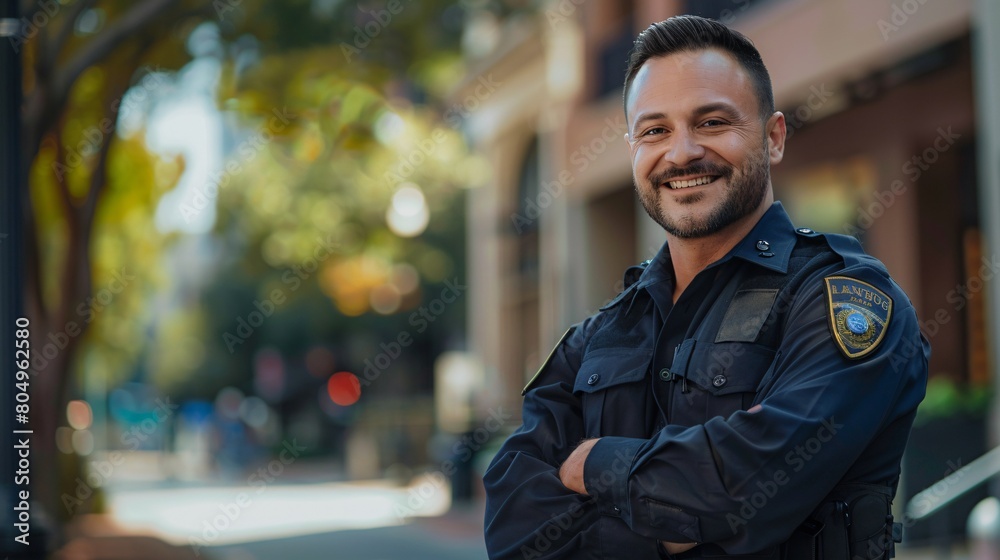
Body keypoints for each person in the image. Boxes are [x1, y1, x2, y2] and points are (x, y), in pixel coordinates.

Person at [483, 15, 930, 560]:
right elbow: (513, 524)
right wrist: (673, 530)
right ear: (632, 150)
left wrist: (595, 463)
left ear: (773, 137)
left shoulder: (840, 300)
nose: (682, 153)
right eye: (655, 131)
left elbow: (749, 489)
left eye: (712, 122)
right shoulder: (603, 330)